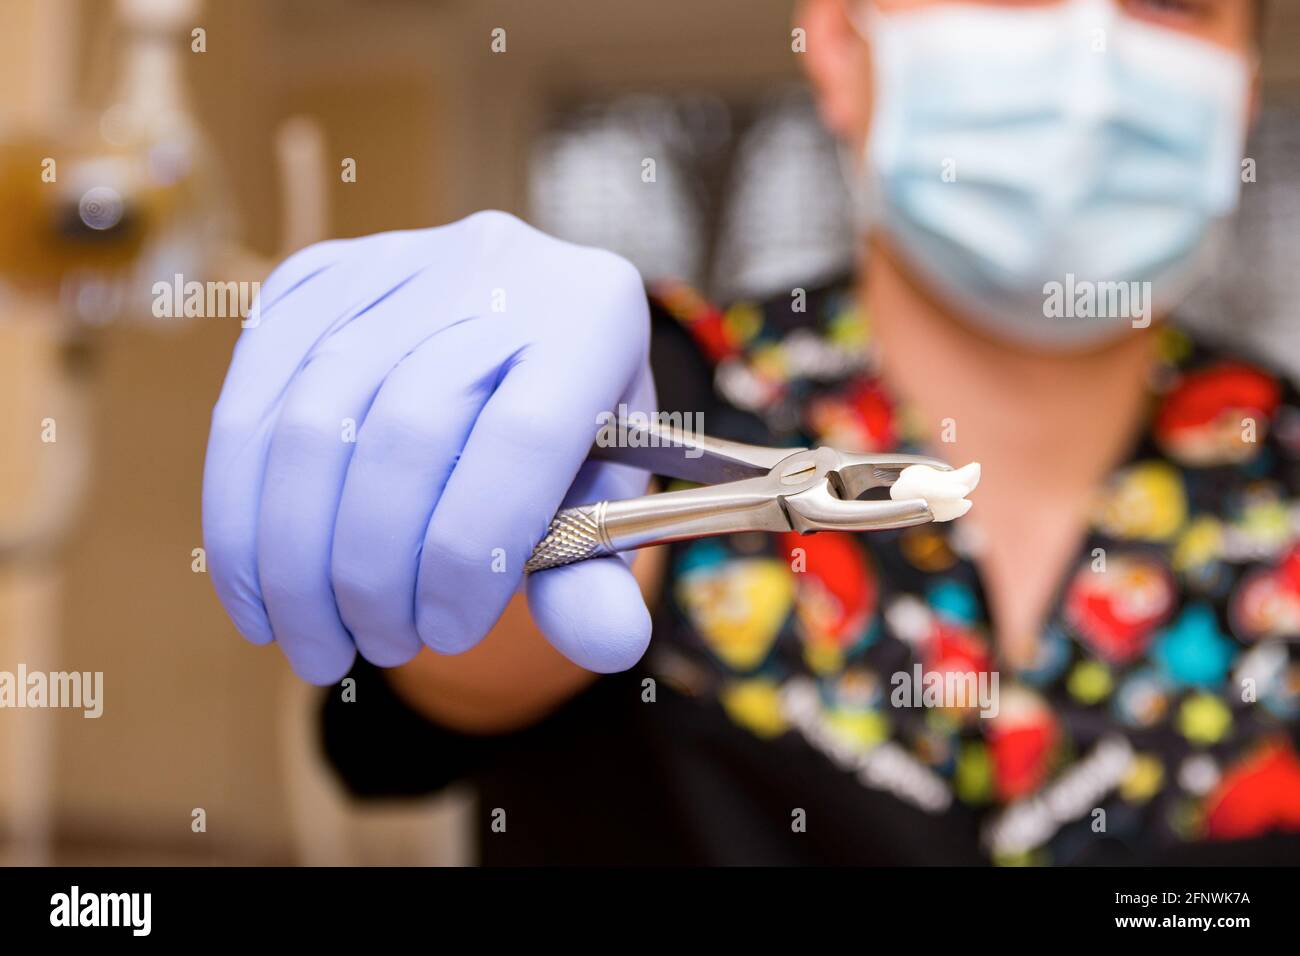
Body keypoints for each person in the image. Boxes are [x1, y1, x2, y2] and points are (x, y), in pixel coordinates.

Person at [203, 0, 1300, 864]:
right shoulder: (652, 398)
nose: (1087, 61)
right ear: (837, 44)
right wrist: (464, 435)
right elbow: (468, 652)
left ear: (1242, 89)